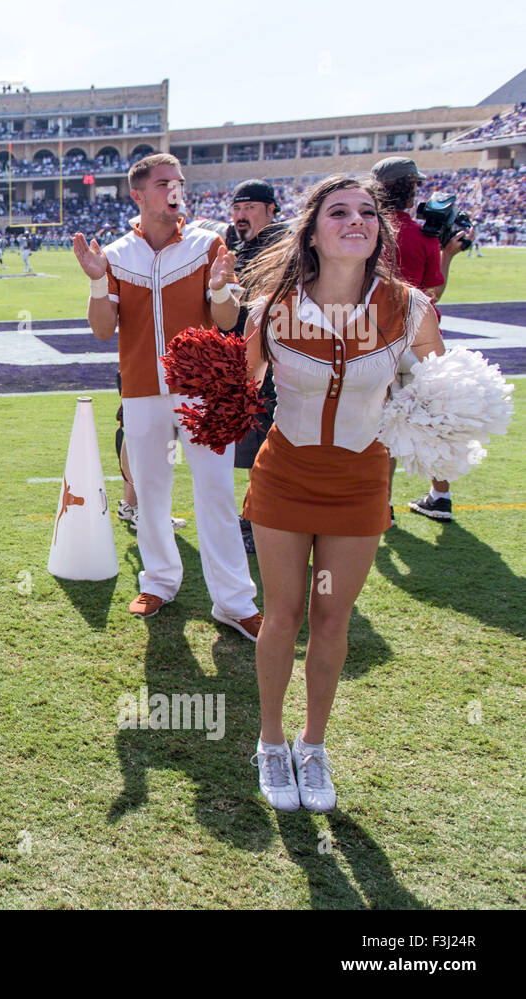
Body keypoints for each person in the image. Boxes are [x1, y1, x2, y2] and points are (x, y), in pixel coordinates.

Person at [241, 175, 445, 811]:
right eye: (339, 212)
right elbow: (237, 389)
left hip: (360, 482)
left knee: (333, 617)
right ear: (313, 230)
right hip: (284, 476)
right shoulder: (272, 307)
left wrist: (425, 426)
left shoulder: (410, 309)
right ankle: (271, 743)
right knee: (283, 614)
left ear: (379, 229)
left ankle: (313, 744)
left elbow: (438, 392)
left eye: (366, 213)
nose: (356, 221)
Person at [73, 153, 261, 638]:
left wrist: (221, 290)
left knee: (216, 493)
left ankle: (235, 602)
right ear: (137, 195)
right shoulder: (115, 254)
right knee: (151, 495)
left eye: (178, 182)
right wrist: (97, 280)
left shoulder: (207, 244)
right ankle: (158, 580)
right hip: (140, 391)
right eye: (163, 184)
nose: (174, 190)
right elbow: (101, 330)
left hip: (202, 389)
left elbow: (224, 322)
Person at [372, 157, 471, 523]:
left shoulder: (368, 231)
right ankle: (440, 496)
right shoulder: (425, 236)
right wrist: (447, 253)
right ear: (412, 189)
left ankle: (383, 507)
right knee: (431, 419)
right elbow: (433, 291)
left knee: (382, 423)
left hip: (376, 339)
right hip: (420, 338)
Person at [226, 180, 290, 553]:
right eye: (236, 208)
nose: (240, 215)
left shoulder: (282, 247)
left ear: (271, 210)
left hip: (273, 365)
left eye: (249, 207)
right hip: (246, 361)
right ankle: (252, 517)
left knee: (267, 451)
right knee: (252, 452)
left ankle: (259, 522)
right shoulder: (242, 247)